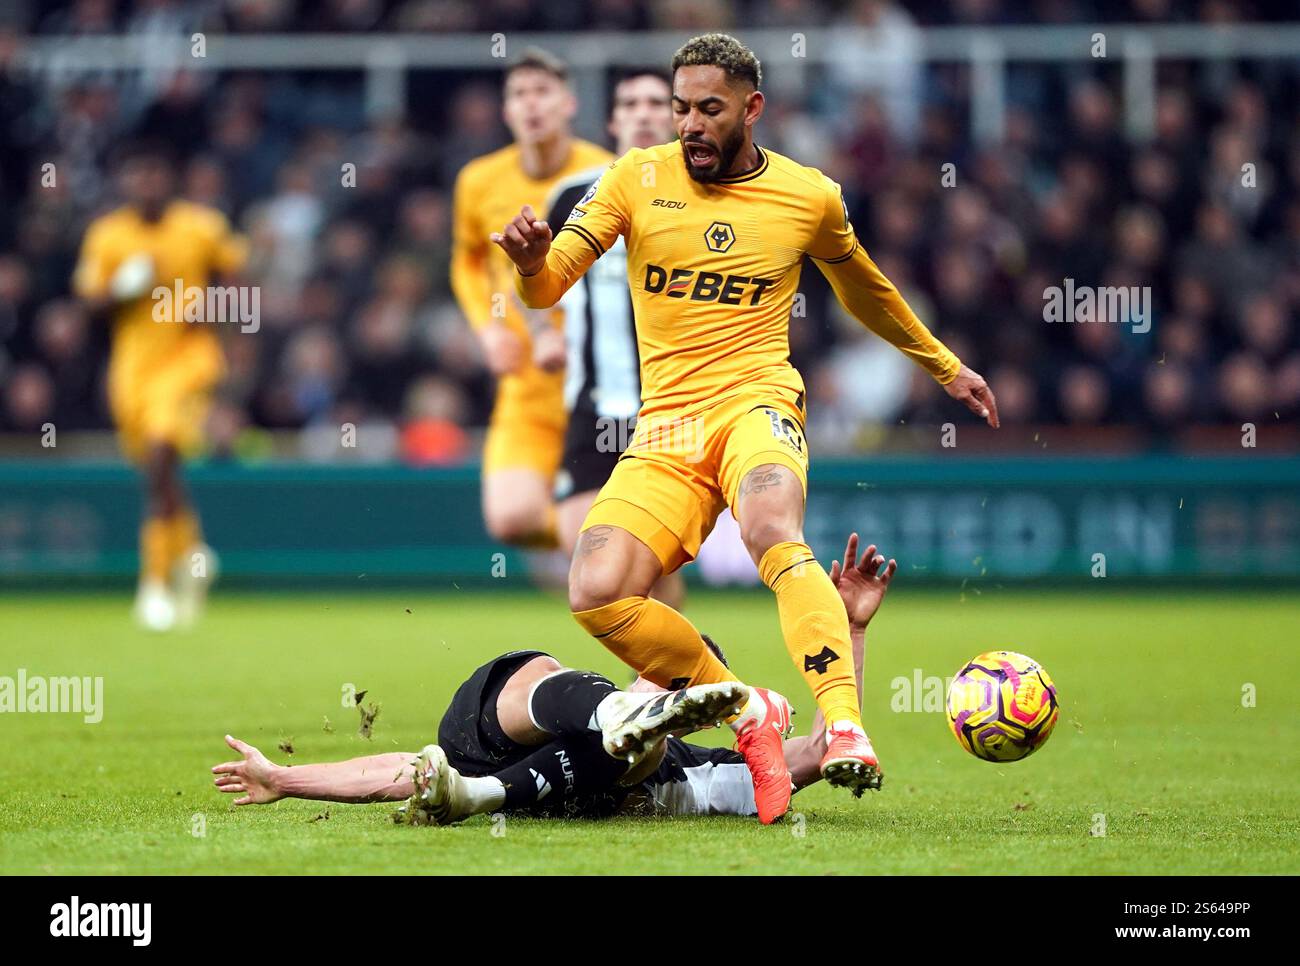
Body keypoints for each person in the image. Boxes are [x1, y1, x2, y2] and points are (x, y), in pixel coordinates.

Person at [490, 33, 999, 823]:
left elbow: (865, 290)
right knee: (592, 589)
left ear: (753, 108)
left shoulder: (808, 196)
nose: (689, 124)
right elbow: (551, 282)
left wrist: (943, 366)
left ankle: (844, 725)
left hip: (757, 406)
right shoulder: (636, 178)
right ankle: (746, 705)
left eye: (709, 110)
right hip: (665, 427)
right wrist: (529, 261)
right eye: (682, 107)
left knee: (770, 529)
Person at [211, 534, 896, 824]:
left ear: (705, 717)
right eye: (662, 686)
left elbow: (821, 751)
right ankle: (613, 718)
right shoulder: (599, 688)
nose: (667, 695)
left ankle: (502, 787)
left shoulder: (698, 771)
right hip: (502, 728)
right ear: (638, 669)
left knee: (643, 755)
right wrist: (285, 780)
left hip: (485, 775)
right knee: (545, 673)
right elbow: (403, 766)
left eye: (679, 700)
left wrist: (852, 631)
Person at [73, 140, 248, 631]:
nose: (147, 183)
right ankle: (192, 553)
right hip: (132, 370)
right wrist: (119, 289)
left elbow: (237, 280)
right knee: (159, 473)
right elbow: (88, 303)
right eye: (138, 174)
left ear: (169, 178)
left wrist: (214, 310)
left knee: (161, 453)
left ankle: (152, 585)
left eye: (155, 173)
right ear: (125, 181)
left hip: (188, 362)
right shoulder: (108, 235)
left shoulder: (201, 226)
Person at [450, 48, 612, 549]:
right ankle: (586, 545)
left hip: (597, 384)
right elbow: (468, 260)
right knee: (512, 519)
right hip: (526, 385)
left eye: (542, 92)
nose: (531, 105)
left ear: (568, 104)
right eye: (519, 94)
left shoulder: (606, 175)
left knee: (604, 538)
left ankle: (609, 558)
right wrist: (488, 329)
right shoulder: (479, 180)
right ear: (506, 112)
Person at [542, 68, 684, 607]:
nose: (644, 113)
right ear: (612, 118)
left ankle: (659, 678)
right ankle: (663, 668)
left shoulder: (698, 198)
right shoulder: (574, 197)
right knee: (583, 551)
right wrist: (540, 334)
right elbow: (535, 278)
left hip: (667, 404)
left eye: (656, 103)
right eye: (631, 103)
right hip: (592, 404)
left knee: (653, 559)